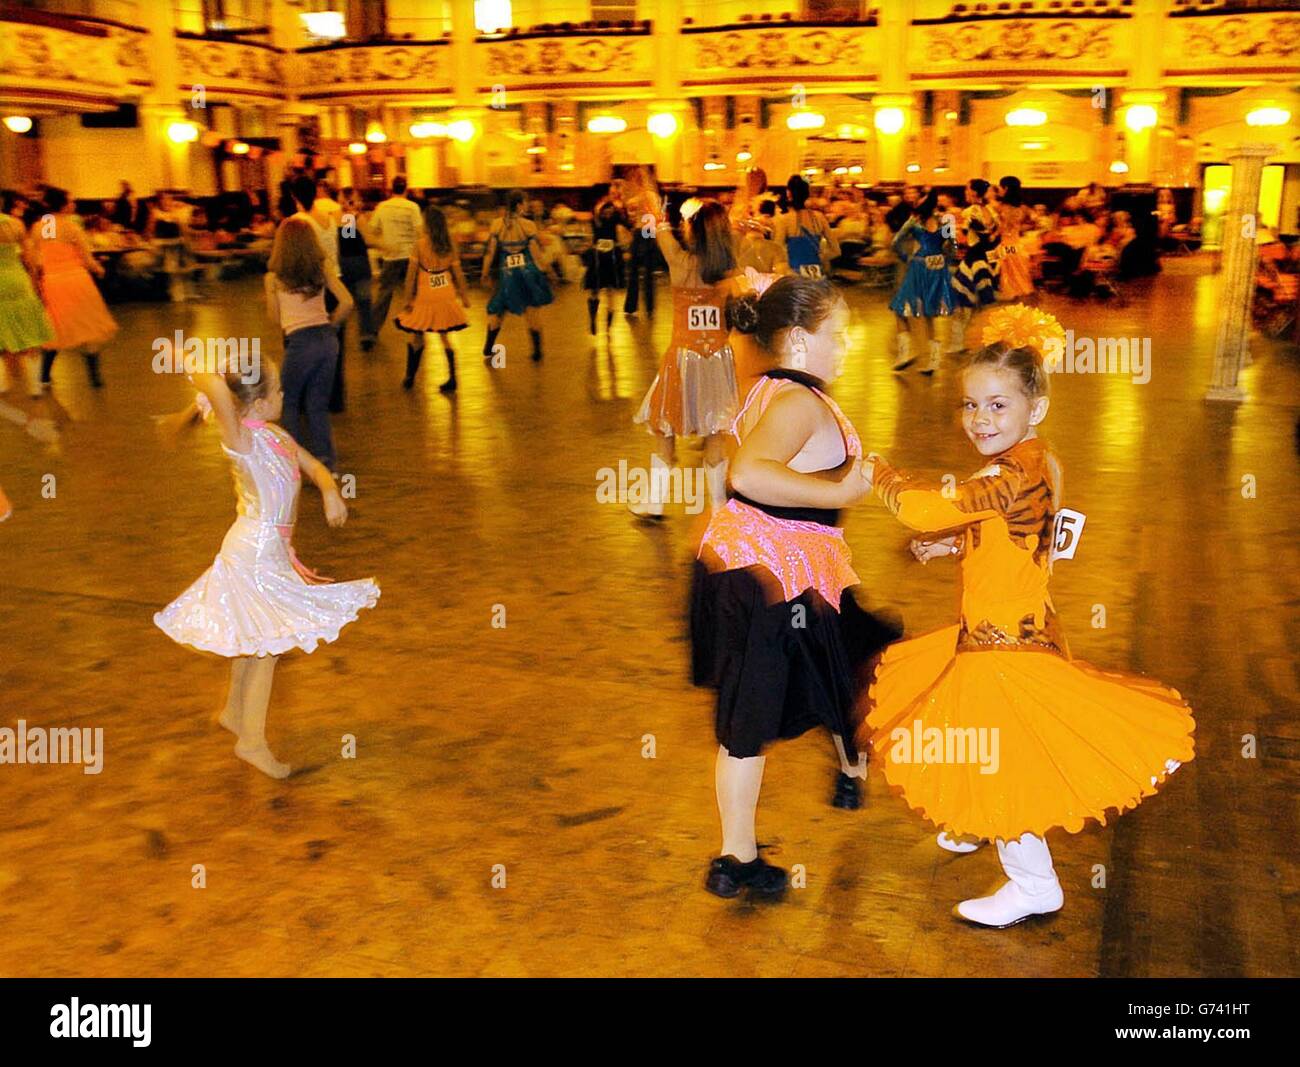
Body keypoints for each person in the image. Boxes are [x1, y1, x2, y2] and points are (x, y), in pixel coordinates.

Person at [857, 304, 1195, 927]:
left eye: (998, 405)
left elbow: (932, 508)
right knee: (965, 726)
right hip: (1016, 623)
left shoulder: (1011, 471)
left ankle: (1033, 882)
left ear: (1034, 408)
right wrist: (957, 545)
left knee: (1005, 755)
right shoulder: (1037, 461)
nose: (980, 418)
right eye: (970, 405)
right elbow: (1018, 532)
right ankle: (974, 816)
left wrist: (877, 472)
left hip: (1003, 643)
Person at [692, 275, 901, 897]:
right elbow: (746, 471)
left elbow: (721, 467)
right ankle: (737, 857)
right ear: (799, 340)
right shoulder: (799, 403)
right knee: (826, 680)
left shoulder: (769, 390)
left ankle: (738, 856)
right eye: (838, 334)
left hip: (760, 575)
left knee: (750, 720)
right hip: (779, 586)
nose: (847, 346)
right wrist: (837, 493)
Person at [154, 364, 379, 779]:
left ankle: (234, 713)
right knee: (268, 646)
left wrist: (330, 492)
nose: (283, 395)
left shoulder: (278, 437)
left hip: (270, 554)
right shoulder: (242, 440)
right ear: (257, 403)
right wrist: (184, 359)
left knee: (255, 637)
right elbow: (218, 390)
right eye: (277, 390)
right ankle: (251, 742)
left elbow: (315, 467)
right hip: (252, 555)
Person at [631, 194, 750, 518]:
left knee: (664, 428)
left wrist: (649, 197)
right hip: (719, 358)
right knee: (716, 432)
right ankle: (717, 507)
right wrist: (746, 195)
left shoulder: (679, 262)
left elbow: (657, 224)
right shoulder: (728, 262)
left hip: (684, 358)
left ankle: (655, 500)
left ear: (693, 231)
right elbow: (735, 222)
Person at [264, 216, 353, 472]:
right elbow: (347, 302)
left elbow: (275, 319)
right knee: (317, 404)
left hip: (300, 342)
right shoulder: (321, 269)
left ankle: (293, 460)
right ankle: (327, 461)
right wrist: (332, 325)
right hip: (327, 341)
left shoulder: (274, 278)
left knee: (288, 400)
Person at [32, 187, 117, 389]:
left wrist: (37, 282)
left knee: (55, 327)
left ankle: (44, 376)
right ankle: (95, 377)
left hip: (52, 281)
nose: (74, 204)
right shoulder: (72, 227)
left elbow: (36, 260)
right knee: (88, 326)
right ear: (62, 204)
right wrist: (99, 269)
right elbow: (87, 258)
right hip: (76, 280)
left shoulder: (39, 226)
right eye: (70, 201)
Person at [395, 203, 469, 393]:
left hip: (425, 295)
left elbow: (410, 276)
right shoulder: (450, 243)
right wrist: (464, 295)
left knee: (417, 334)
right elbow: (458, 273)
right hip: (445, 293)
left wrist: (406, 300)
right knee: (444, 336)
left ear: (427, 224)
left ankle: (409, 377)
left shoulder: (419, 245)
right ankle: (453, 378)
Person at [480, 188, 553, 364]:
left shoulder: (497, 224)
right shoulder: (528, 225)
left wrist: (484, 272)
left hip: (506, 272)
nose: (527, 206)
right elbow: (535, 253)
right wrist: (547, 270)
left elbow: (490, 252)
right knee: (531, 308)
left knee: (499, 308)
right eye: (525, 203)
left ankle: (489, 346)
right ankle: (537, 351)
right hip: (526, 271)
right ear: (520, 204)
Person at [889, 190, 955, 375]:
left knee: (900, 309)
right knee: (929, 315)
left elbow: (895, 242)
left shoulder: (914, 221)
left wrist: (907, 257)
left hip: (918, 268)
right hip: (938, 269)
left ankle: (905, 353)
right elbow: (952, 247)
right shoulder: (945, 220)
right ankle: (934, 361)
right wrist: (944, 262)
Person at [0, 196, 54, 398]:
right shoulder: (16, 225)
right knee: (29, 332)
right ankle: (35, 386)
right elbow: (29, 259)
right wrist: (36, 284)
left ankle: (2, 384)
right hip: (18, 281)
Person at [949, 178, 1001, 352]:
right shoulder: (992, 211)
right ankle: (971, 341)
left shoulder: (970, 212)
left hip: (973, 260)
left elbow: (978, 234)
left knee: (960, 301)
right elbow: (994, 236)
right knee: (977, 304)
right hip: (986, 260)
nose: (965, 192)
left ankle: (961, 342)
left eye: (967, 189)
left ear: (973, 192)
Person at [368, 176, 424, 336]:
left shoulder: (382, 207)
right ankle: (418, 323)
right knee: (414, 291)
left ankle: (372, 329)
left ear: (391, 189)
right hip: (411, 256)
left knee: (384, 292)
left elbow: (373, 230)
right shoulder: (412, 207)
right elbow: (419, 232)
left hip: (390, 256)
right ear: (406, 189)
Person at [772, 175, 839, 280]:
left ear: (789, 193)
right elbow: (836, 250)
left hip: (793, 272)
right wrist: (818, 257)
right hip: (815, 271)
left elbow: (777, 251)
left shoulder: (784, 219)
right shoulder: (819, 217)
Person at [583, 196, 629, 338]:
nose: (608, 214)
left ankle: (608, 326)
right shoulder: (595, 221)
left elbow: (625, 233)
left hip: (611, 259)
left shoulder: (616, 221)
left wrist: (621, 246)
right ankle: (593, 320)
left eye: (611, 211)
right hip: (599, 259)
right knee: (595, 291)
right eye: (606, 211)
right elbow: (590, 239)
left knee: (610, 294)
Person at [337, 187, 375, 352]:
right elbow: (369, 240)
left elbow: (342, 242)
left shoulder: (335, 217)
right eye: (357, 198)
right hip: (358, 263)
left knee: (345, 300)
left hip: (342, 263)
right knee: (364, 301)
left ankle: (340, 332)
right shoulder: (356, 218)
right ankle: (366, 335)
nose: (360, 201)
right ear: (351, 200)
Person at [622, 166, 660, 316]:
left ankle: (632, 307)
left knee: (634, 272)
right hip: (648, 233)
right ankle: (649, 307)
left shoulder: (638, 198)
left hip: (641, 233)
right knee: (648, 273)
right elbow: (656, 216)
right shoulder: (652, 196)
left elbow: (631, 214)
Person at [995, 175, 1036, 301]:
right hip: (1017, 244)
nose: (999, 191)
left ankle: (1009, 292)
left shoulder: (1001, 208)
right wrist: (1020, 228)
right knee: (1016, 271)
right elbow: (1035, 221)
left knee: (1007, 268)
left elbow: (1002, 227)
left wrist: (994, 233)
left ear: (1006, 188)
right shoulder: (1023, 208)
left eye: (1000, 188)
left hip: (1006, 244)